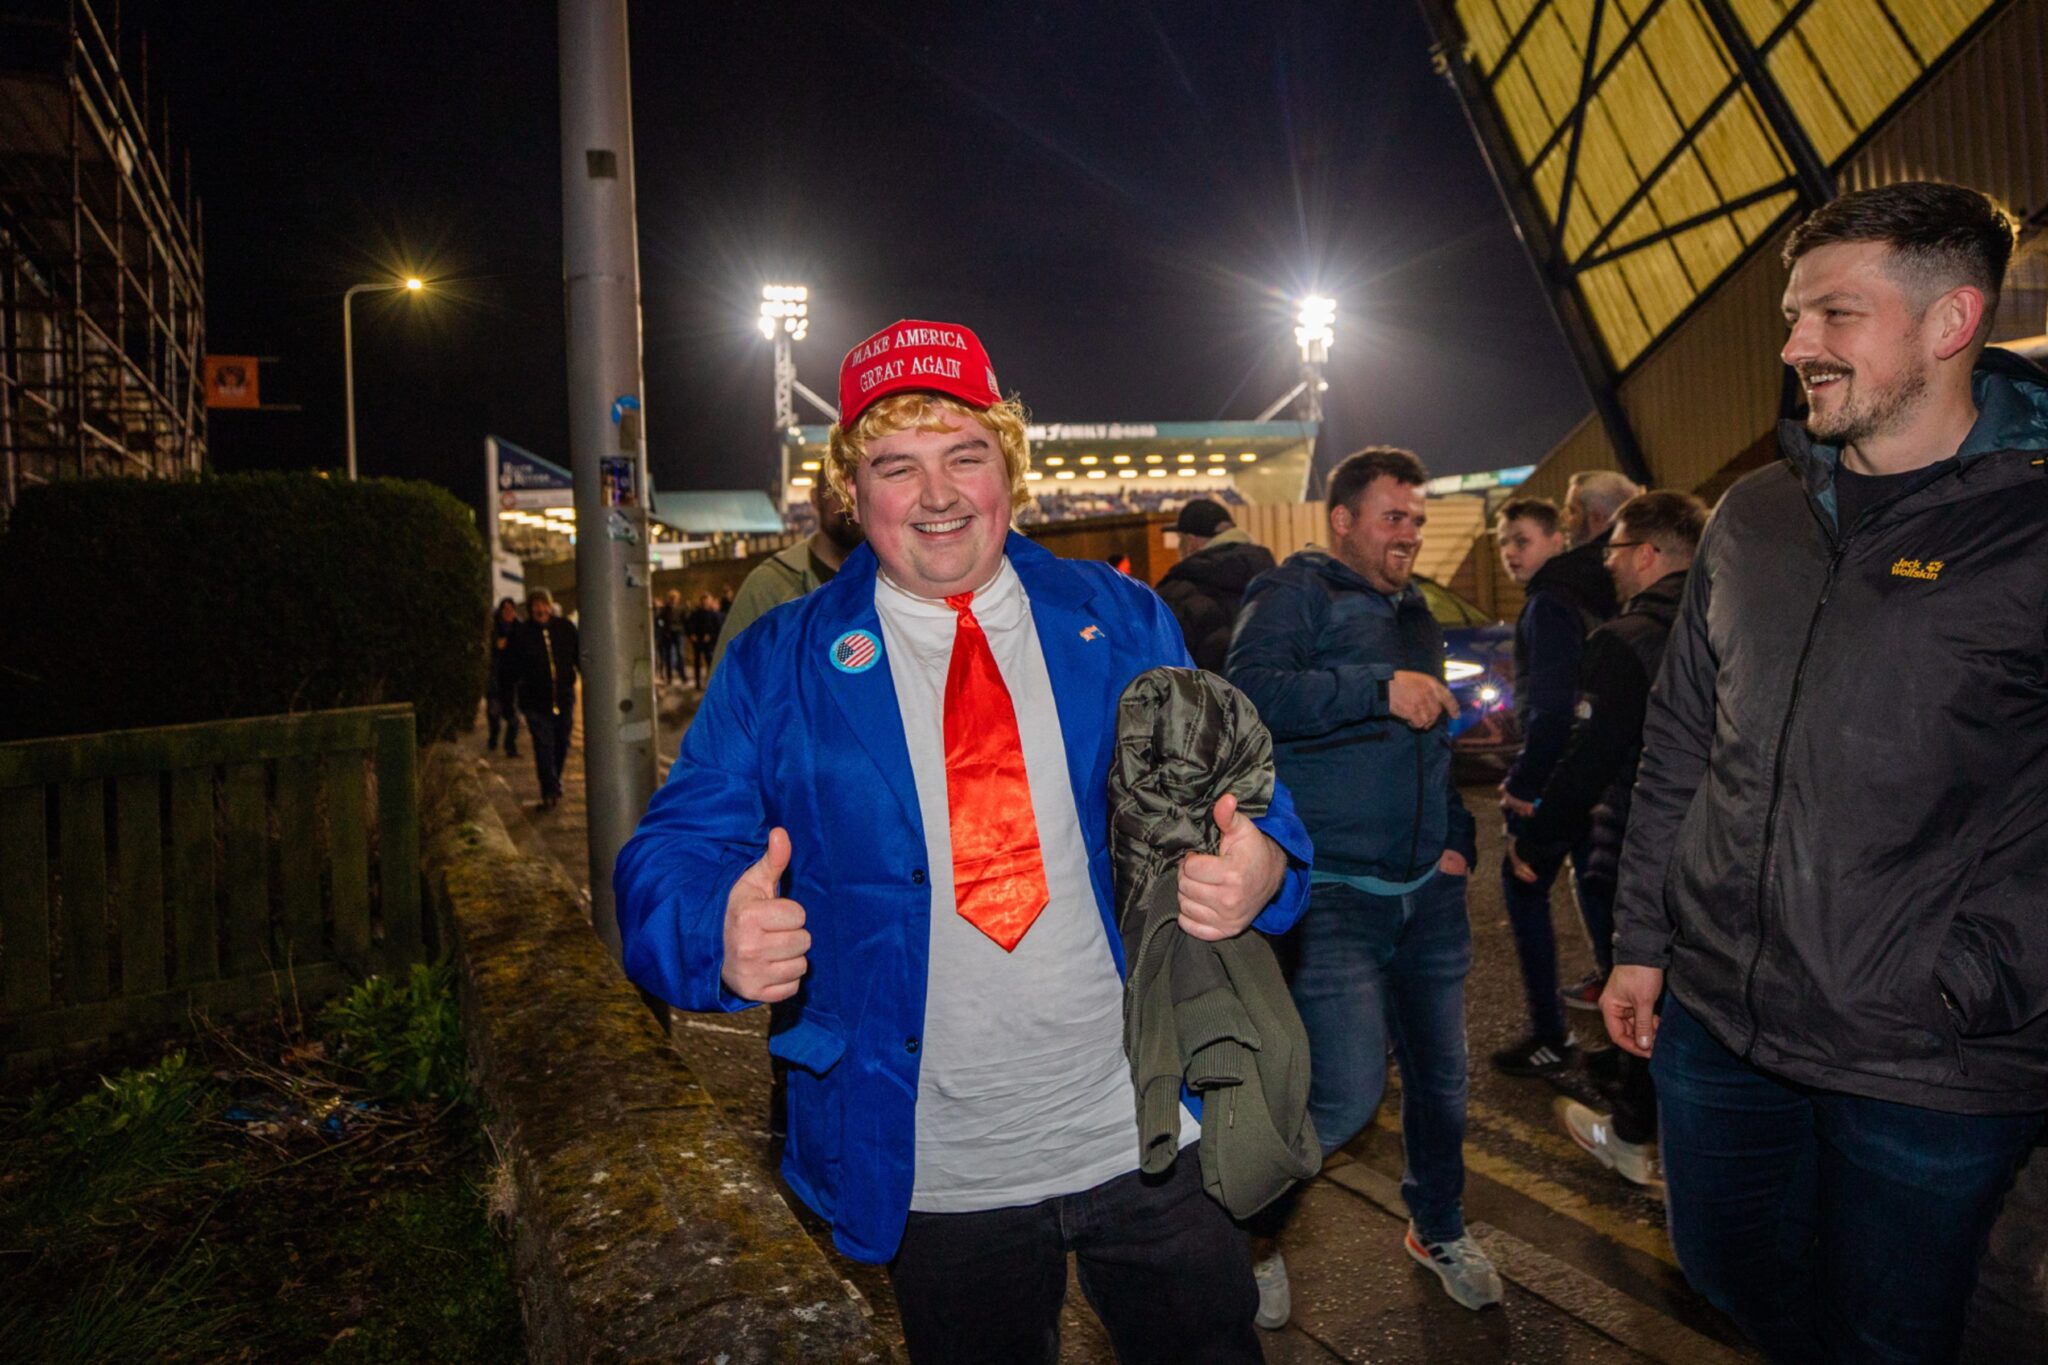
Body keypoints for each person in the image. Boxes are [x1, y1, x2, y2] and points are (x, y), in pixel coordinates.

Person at [614, 318, 1313, 1364]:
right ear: (853, 492)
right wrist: (710, 925)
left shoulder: (1118, 617)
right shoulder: (780, 659)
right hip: (934, 1166)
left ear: (1009, 471)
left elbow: (1246, 789)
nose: (937, 496)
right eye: (897, 466)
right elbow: (664, 854)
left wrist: (1265, 860)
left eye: (964, 457)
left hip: (1150, 1129)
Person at [1606, 181, 2048, 1361]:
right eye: (1794, 315)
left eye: (1833, 315)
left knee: (1892, 1333)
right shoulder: (1752, 514)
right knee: (1726, 1270)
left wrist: (1982, 975)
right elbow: (1680, 744)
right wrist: (1646, 940)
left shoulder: (2033, 529)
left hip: (1929, 1055)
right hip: (1718, 1025)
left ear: (1949, 323)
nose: (1796, 345)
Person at [1228, 447, 1499, 1322]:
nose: (1410, 533)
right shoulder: (1295, 589)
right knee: (1343, 1092)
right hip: (1336, 889)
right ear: (1343, 519)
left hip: (1428, 891)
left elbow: (1437, 737)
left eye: (1418, 519)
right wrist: (1376, 687)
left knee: (1443, 1081)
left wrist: (1457, 840)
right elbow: (1250, 691)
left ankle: (1440, 1225)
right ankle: (1254, 1234)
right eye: (1395, 517)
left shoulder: (1412, 608)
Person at [1499, 491, 1706, 1187]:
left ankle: (1636, 1136)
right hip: (1728, 854)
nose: (1609, 563)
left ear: (1646, 554)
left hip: (1645, 849)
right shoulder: (1733, 617)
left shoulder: (1625, 640)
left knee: (1646, 996)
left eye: (1617, 549)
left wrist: (1538, 842)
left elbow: (1592, 756)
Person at [1489, 495, 1618, 1078]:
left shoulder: (1548, 603)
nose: (1509, 553)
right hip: (1602, 774)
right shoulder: (1597, 590)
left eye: (1521, 539)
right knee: (1599, 893)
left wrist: (1524, 782)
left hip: (1559, 780)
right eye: (1503, 542)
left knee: (1522, 884)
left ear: (1557, 539)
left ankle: (1548, 1035)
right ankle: (1625, 1039)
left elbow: (1551, 707)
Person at [711, 473, 865, 672]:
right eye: (839, 489)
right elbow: (725, 690)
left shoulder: (898, 581)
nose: (851, 500)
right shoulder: (769, 586)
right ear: (815, 498)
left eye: (862, 487)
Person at [1155, 498, 1276, 673]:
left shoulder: (1176, 594)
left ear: (1191, 542)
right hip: (1265, 695)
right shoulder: (1272, 578)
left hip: (1208, 697)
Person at [511, 586, 579, 810]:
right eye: (535, 605)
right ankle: (549, 789)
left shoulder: (565, 628)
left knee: (562, 742)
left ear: (550, 606)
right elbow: (512, 668)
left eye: (544, 604)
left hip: (563, 698)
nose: (540, 609)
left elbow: (578, 656)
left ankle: (554, 779)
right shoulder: (522, 633)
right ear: (530, 608)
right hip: (535, 702)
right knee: (543, 746)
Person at [486, 596, 522, 758]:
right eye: (505, 609)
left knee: (513, 718)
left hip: (511, 679)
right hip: (495, 678)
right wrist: (495, 645)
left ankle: (510, 746)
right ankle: (493, 738)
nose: (508, 613)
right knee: (494, 715)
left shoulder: (519, 628)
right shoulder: (493, 628)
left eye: (511, 609)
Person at [684, 593, 722, 688]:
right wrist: (692, 634)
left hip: (708, 642)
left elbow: (717, 628)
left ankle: (712, 682)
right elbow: (689, 625)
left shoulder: (713, 614)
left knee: (710, 662)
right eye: (704, 601)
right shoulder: (696, 613)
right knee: (697, 662)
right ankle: (698, 683)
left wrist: (710, 636)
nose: (705, 603)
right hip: (697, 640)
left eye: (707, 601)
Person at [655, 589, 685, 685]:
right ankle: (669, 677)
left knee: (680, 654)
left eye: (675, 598)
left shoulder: (680, 608)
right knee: (668, 655)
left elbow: (684, 620)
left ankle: (682, 675)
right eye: (672, 598)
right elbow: (659, 620)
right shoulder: (665, 609)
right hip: (668, 634)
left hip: (678, 633)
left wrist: (681, 629)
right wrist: (663, 627)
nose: (673, 600)